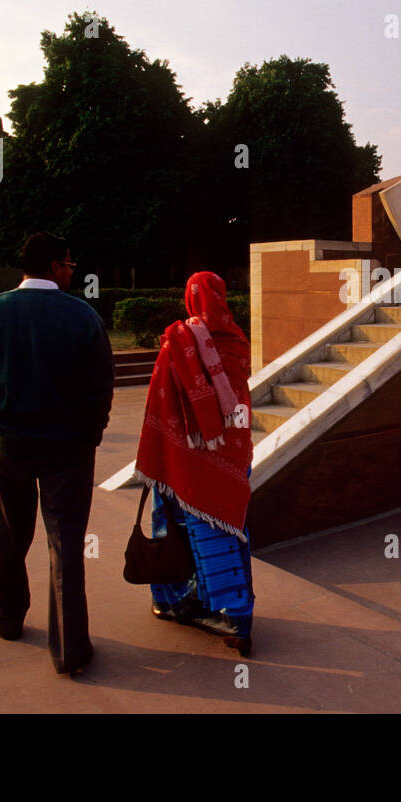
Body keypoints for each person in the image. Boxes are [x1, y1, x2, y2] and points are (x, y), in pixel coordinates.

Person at [0, 232, 114, 675]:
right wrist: (90, 435)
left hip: (8, 447)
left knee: (6, 535)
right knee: (66, 545)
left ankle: (4, 618)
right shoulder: (82, 317)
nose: (71, 271)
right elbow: (100, 389)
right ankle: (69, 650)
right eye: (69, 264)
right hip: (69, 451)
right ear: (56, 266)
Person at [133, 271, 255, 657]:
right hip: (229, 456)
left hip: (184, 460)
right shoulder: (237, 341)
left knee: (177, 527)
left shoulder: (177, 342)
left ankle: (176, 601)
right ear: (220, 297)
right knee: (228, 529)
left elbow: (161, 404)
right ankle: (235, 612)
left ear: (190, 299)